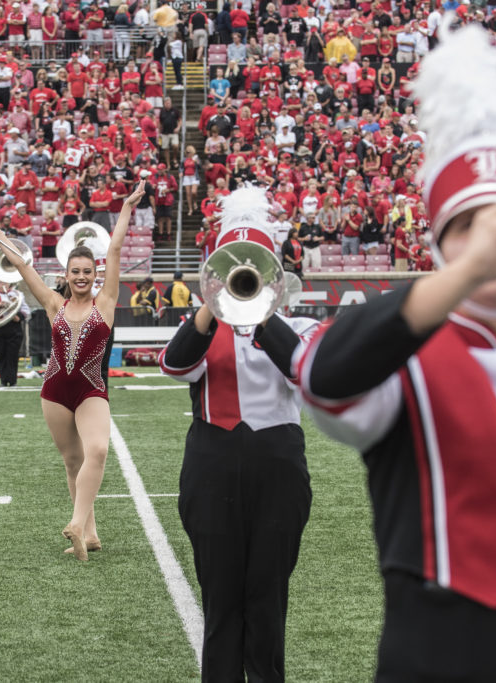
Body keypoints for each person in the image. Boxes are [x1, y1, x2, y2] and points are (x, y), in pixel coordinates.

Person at [298, 25, 496, 681]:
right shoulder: (402, 359)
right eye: (469, 225)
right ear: (443, 247)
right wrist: (467, 274)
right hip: (438, 651)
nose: (494, 241)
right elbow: (325, 377)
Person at [159, 188, 318, 682]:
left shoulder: (301, 326)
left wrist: (262, 310)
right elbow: (174, 364)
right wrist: (212, 305)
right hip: (213, 462)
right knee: (221, 592)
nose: (242, 275)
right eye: (234, 266)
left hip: (277, 465)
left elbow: (305, 373)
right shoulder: (205, 330)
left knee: (267, 593)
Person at [0, 181, 147, 560]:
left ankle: (76, 522)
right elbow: (20, 264)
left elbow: (115, 249)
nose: (82, 277)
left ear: (95, 274)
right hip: (54, 391)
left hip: (90, 390)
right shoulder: (54, 304)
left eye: (87, 271)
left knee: (98, 451)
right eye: (76, 272)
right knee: (72, 461)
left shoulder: (106, 302)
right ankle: (90, 534)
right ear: (67, 275)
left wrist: (125, 208)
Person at [0, 281, 31, 387]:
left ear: (9, 284)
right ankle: (3, 380)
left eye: (5, 283)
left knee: (12, 355)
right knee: (0, 355)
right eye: (0, 283)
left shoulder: (17, 294)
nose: (3, 286)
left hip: (13, 328)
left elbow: (26, 310)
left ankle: (12, 381)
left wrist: (18, 316)